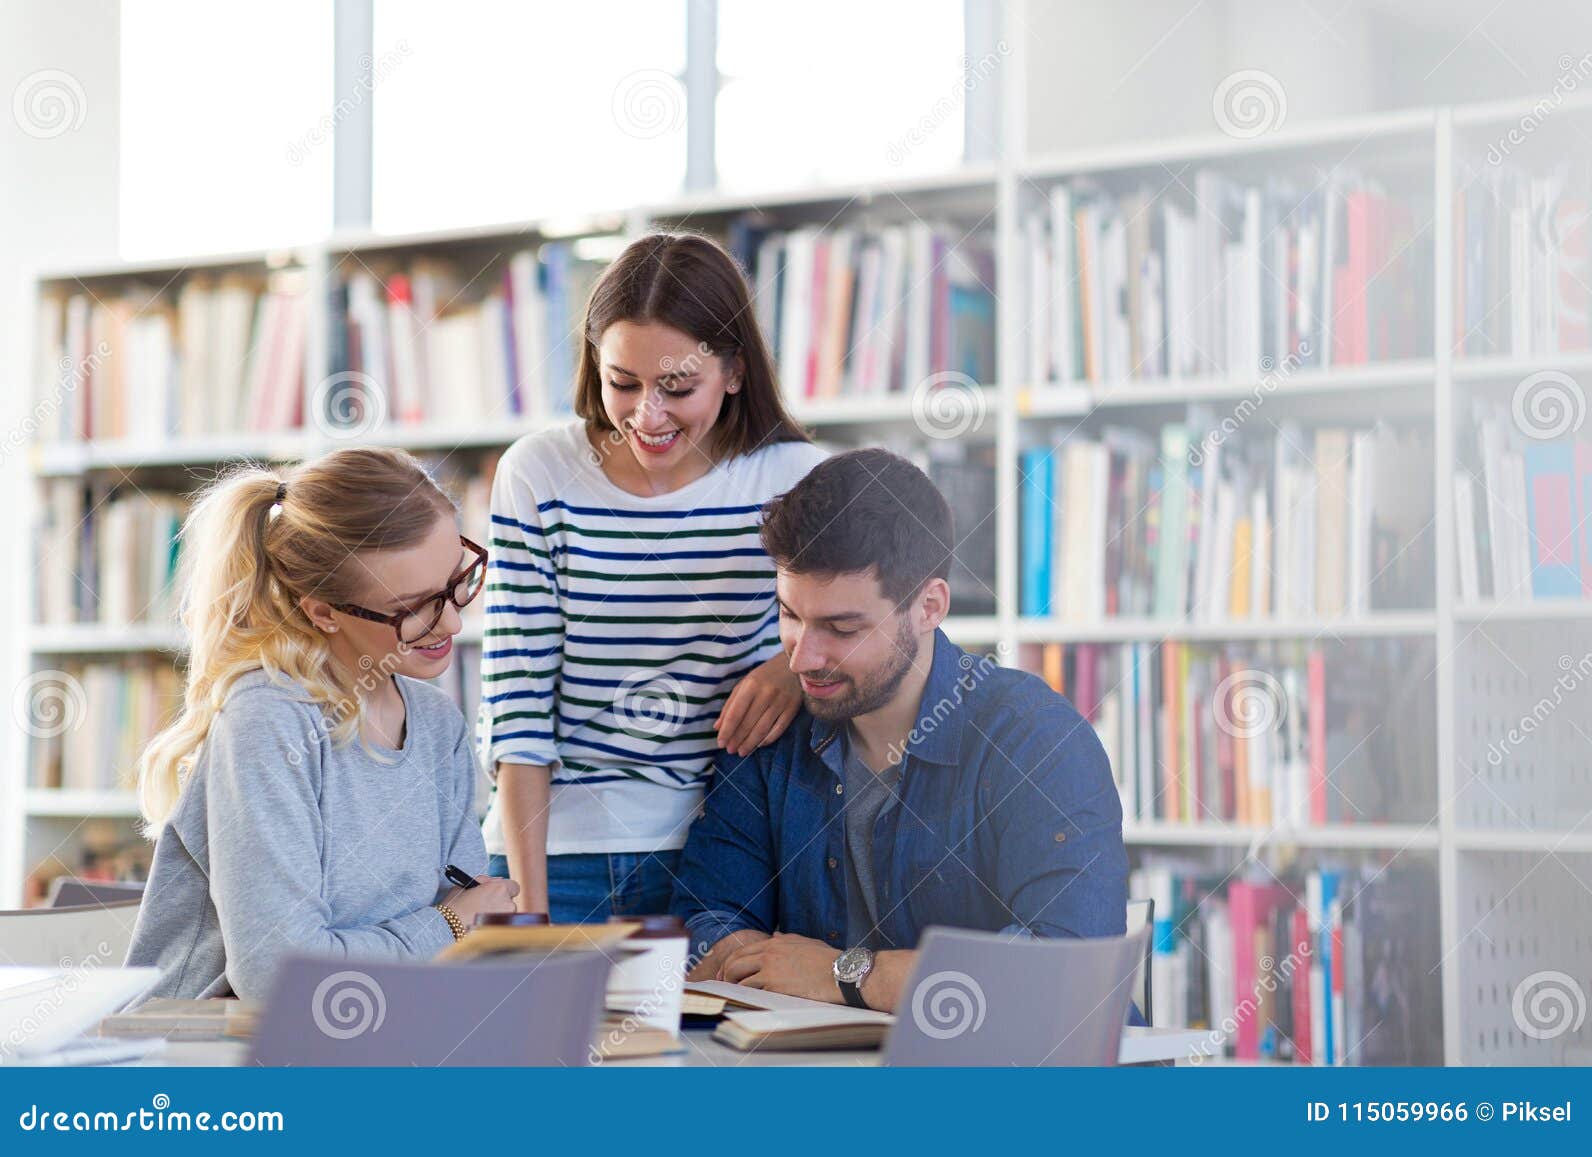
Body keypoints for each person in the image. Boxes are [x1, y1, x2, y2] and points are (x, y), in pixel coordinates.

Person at [672, 448, 1132, 1014]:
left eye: (842, 628)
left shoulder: (1035, 740)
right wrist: (749, 958)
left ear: (929, 606)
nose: (801, 659)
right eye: (789, 616)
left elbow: (1069, 967)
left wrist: (846, 975)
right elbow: (705, 911)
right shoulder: (773, 731)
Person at [480, 232, 828, 921]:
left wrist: (793, 669)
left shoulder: (794, 480)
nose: (648, 415)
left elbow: (873, 634)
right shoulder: (540, 474)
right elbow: (517, 709)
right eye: (623, 383)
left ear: (733, 371)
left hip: (727, 851)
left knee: (708, 1034)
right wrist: (532, 915)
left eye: (677, 387)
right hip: (553, 856)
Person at [126, 447, 517, 1001]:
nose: (452, 619)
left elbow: (475, 917)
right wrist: (447, 925)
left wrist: (467, 926)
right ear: (323, 612)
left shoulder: (436, 723)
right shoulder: (267, 720)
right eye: (413, 607)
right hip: (215, 1052)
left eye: (456, 579)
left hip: (374, 1026)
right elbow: (282, 975)